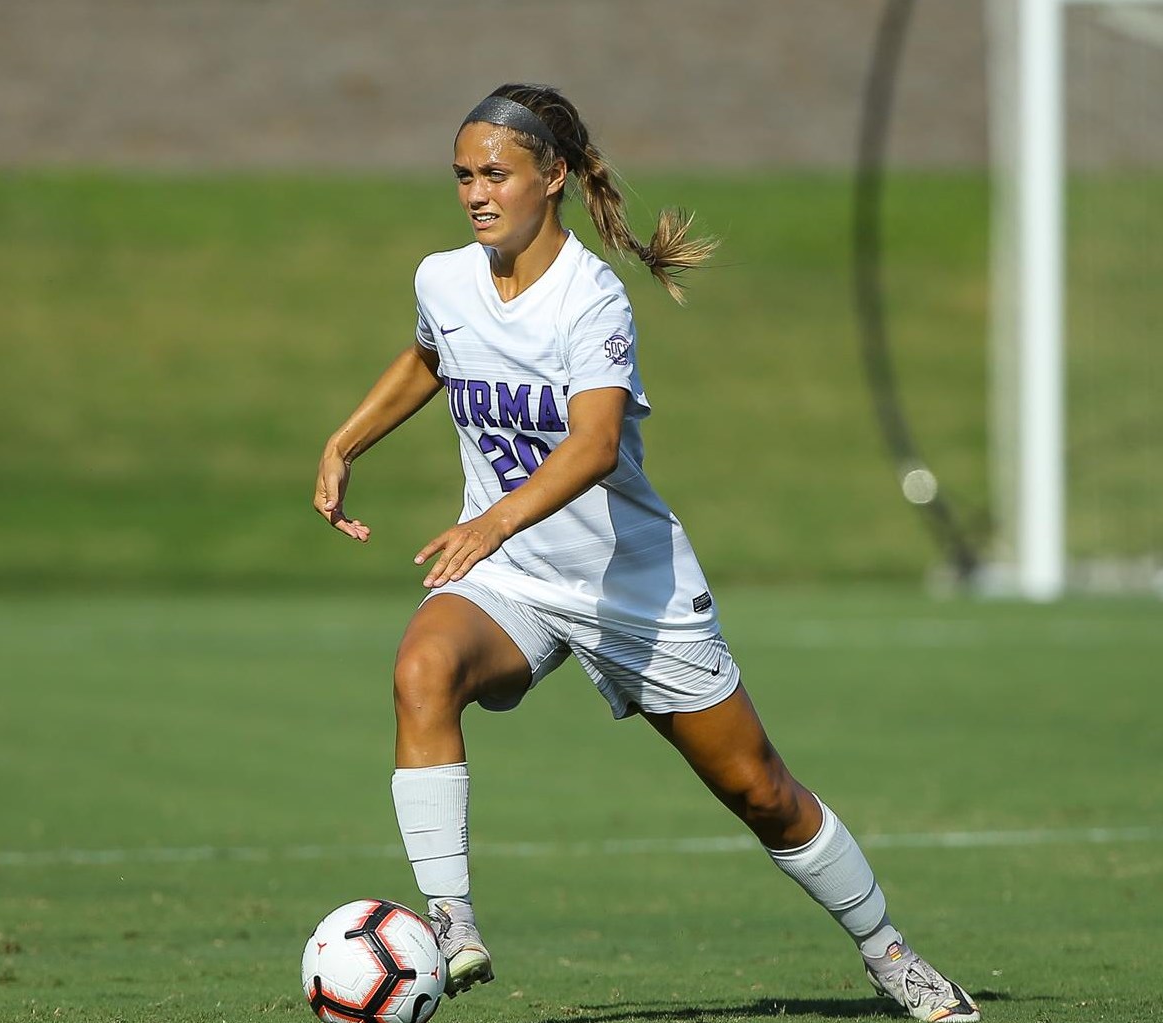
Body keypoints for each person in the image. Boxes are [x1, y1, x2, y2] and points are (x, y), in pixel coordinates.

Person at [312, 83, 980, 1023]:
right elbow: (430, 354)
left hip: (632, 588)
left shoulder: (592, 300)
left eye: (494, 173)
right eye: (462, 174)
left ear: (553, 178)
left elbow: (591, 446)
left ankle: (890, 954)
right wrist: (346, 441)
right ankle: (452, 923)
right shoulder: (443, 278)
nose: (474, 192)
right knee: (421, 667)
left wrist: (490, 519)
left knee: (761, 790)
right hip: (515, 583)